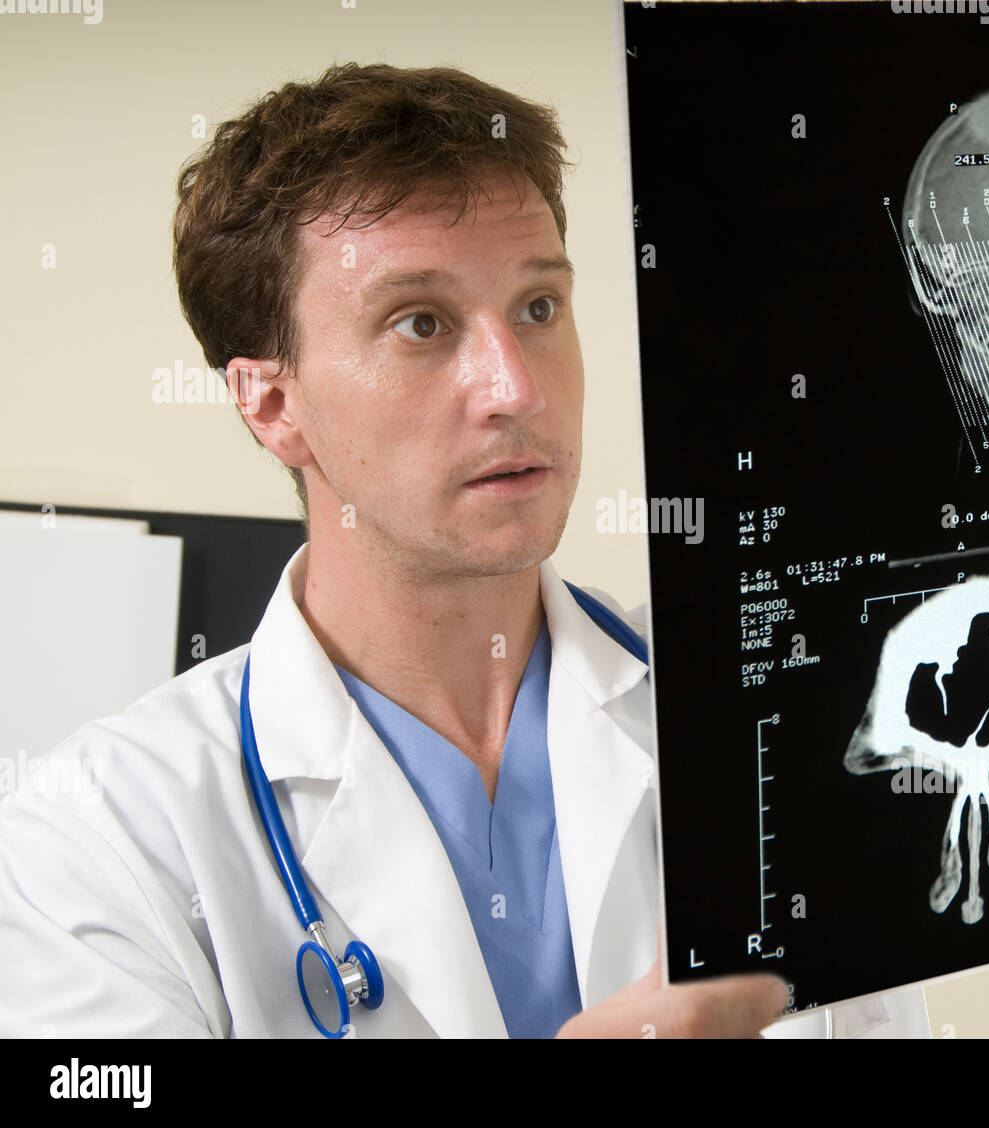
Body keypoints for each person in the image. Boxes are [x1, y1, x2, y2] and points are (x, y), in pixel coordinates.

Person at [0, 63, 929, 1038]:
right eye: (421, 324)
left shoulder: (765, 725)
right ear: (271, 404)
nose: (514, 387)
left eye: (537, 308)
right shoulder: (95, 841)